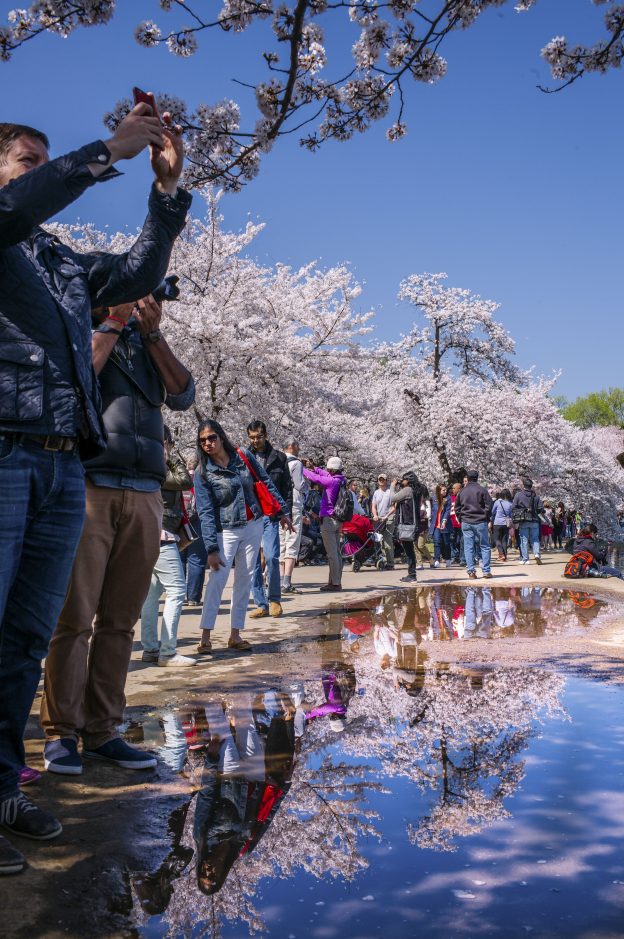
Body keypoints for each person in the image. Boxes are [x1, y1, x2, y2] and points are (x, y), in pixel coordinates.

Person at [0, 104, 191, 868]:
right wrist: (102, 152)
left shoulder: (61, 262)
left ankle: (5, 786)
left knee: (20, 641)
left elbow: (139, 273)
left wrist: (165, 194)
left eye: (43, 157)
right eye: (25, 156)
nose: (39, 166)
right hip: (5, 450)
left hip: (59, 461)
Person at [40, 294, 195, 780]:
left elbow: (184, 393)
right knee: (75, 618)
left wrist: (151, 333)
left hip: (146, 491)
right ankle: (61, 732)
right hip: (90, 483)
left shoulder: (147, 341)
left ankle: (104, 729)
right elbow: (76, 378)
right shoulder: (79, 327)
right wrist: (112, 321)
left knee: (120, 622)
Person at [194, 421, 292, 655]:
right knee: (217, 580)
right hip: (225, 530)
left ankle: (235, 634)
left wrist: (281, 512)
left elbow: (265, 482)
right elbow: (205, 512)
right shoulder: (203, 472)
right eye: (203, 440)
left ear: (221, 436)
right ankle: (205, 635)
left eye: (212, 438)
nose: (208, 443)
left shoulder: (242, 455)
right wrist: (210, 548)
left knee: (244, 580)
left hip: (253, 524)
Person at [140, 428, 196, 667]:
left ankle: (151, 649)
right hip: (162, 534)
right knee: (176, 591)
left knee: (151, 595)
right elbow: (185, 480)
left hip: (148, 533)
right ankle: (168, 651)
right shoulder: (159, 466)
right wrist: (170, 455)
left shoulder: (142, 461)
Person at [246, 421, 293, 620]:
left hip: (271, 515)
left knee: (273, 556)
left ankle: (274, 599)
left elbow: (286, 488)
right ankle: (260, 603)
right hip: (251, 515)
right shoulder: (243, 458)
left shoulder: (279, 458)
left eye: (259, 437)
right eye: (252, 437)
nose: (255, 441)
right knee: (253, 561)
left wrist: (285, 513)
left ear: (266, 435)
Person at [303, 457, 347, 592]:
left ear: (332, 469)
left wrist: (302, 469)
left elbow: (315, 478)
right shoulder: (341, 479)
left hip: (328, 520)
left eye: (329, 469)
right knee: (337, 553)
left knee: (332, 554)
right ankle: (335, 580)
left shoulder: (331, 482)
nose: (327, 470)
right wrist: (314, 467)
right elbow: (323, 474)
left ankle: (335, 583)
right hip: (338, 520)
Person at [279, 437, 308, 595]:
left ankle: (279, 580)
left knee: (281, 543)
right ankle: (287, 582)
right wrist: (307, 484)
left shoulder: (278, 461)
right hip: (294, 505)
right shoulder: (296, 463)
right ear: (292, 446)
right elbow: (299, 485)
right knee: (292, 542)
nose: (299, 448)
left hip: (279, 506)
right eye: (297, 445)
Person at [454, 470, 493, 579]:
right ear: (477, 478)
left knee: (468, 546)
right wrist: (486, 516)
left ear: (468, 478)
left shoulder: (462, 491)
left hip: (466, 521)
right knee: (485, 546)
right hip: (480, 521)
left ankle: (471, 571)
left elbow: (457, 507)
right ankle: (486, 571)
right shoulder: (482, 490)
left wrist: (461, 518)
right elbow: (489, 505)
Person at [184, 457, 209, 604]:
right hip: (198, 521)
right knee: (196, 560)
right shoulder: (202, 479)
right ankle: (193, 597)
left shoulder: (180, 478)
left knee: (179, 560)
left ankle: (179, 594)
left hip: (179, 522)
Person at [390, 472, 422, 583]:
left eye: (403, 479)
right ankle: (412, 574)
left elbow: (393, 498)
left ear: (408, 481)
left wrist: (393, 486)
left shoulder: (407, 490)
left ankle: (412, 575)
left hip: (407, 524)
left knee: (409, 550)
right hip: (413, 523)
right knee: (410, 550)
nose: (401, 481)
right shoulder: (415, 491)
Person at [511, 477, 544, 565]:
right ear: (531, 486)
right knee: (535, 539)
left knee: (524, 540)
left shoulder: (518, 495)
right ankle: (536, 554)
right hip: (534, 520)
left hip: (523, 520)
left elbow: (513, 507)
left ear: (523, 485)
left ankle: (525, 559)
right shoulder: (536, 496)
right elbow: (541, 508)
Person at [371, 474, 395, 570]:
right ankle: (384, 560)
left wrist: (387, 516)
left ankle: (390, 563)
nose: (381, 481)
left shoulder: (390, 492)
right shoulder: (376, 493)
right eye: (379, 479)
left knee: (387, 540)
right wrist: (375, 515)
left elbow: (394, 507)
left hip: (389, 517)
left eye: (383, 479)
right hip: (380, 518)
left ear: (386, 480)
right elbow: (373, 506)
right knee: (381, 541)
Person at [429, 484, 451, 568]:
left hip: (444, 524)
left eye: (446, 490)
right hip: (435, 524)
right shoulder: (434, 498)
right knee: (436, 542)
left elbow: (447, 511)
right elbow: (432, 511)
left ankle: (448, 558)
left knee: (446, 543)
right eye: (443, 490)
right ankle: (437, 560)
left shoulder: (448, 498)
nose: (445, 491)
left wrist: (444, 520)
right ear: (439, 490)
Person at [490, 489, 513, 561]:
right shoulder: (510, 504)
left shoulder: (497, 502)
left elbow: (492, 511)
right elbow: (511, 515)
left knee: (496, 538)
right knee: (504, 540)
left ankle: (501, 553)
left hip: (497, 522)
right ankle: (504, 556)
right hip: (506, 523)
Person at [449, 482, 463, 565]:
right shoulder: (450, 498)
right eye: (452, 488)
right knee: (452, 541)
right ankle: (454, 556)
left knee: (461, 541)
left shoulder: (462, 497)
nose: (453, 490)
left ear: (459, 489)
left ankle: (461, 558)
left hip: (461, 523)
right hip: (452, 523)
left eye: (455, 488)